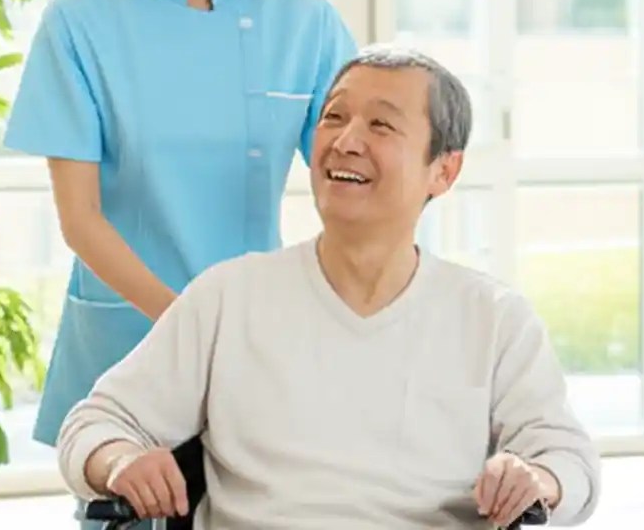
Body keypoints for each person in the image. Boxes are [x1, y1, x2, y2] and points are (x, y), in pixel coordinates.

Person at [56, 48, 602, 529]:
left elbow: (568, 460)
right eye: (333, 117)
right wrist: (119, 460)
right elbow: (94, 423)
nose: (345, 141)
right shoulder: (229, 297)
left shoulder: (493, 318)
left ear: (443, 171)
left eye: (381, 126)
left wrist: (536, 477)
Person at [3, 0, 356, 524]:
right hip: (129, 338)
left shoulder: (305, 22)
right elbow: (80, 220)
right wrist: (194, 327)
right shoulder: (80, 23)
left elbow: (358, 182)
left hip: (262, 345)